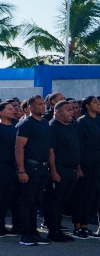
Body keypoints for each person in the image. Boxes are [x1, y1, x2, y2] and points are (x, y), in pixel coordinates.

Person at [14, 95, 52, 246]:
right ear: (30, 107)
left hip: (43, 167)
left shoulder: (45, 123)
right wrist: (21, 171)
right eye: (39, 104)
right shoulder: (25, 124)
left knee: (36, 202)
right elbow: (19, 148)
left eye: (43, 104)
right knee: (26, 201)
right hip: (30, 167)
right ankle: (25, 235)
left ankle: (34, 232)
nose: (43, 106)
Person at [44, 100, 82, 242]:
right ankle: (53, 231)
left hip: (71, 170)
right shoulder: (52, 127)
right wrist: (53, 171)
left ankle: (58, 229)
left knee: (62, 202)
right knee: (54, 201)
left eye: (72, 109)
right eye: (68, 110)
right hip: (59, 169)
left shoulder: (70, 127)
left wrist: (78, 167)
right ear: (57, 112)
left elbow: (75, 148)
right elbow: (51, 151)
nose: (72, 112)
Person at [0, 101, 22, 236]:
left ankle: (14, 226)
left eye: (13, 108)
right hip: (1, 167)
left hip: (13, 167)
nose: (13, 110)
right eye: (9, 109)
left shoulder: (15, 127)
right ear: (1, 112)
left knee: (11, 198)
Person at [74, 96, 100, 239]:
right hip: (85, 163)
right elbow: (78, 145)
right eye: (95, 102)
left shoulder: (98, 121)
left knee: (90, 195)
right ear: (87, 106)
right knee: (81, 195)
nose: (98, 104)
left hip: (96, 163)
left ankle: (85, 225)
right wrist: (78, 166)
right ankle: (77, 226)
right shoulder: (82, 122)